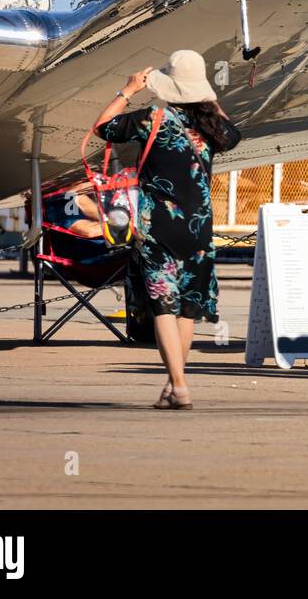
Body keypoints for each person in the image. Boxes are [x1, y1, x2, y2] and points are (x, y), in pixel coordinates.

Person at [94, 50, 241, 410]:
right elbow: (234, 135)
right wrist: (209, 99)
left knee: (163, 307)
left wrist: (127, 90)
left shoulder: (152, 118)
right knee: (187, 310)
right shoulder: (212, 126)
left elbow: (103, 128)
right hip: (199, 228)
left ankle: (180, 385)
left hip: (156, 225)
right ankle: (171, 386)